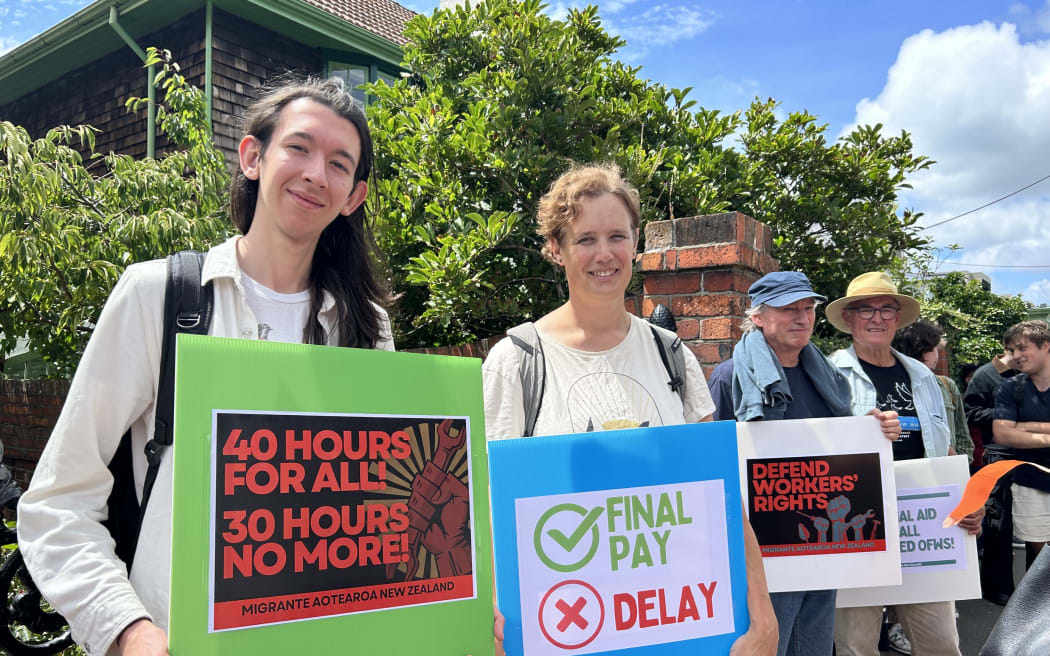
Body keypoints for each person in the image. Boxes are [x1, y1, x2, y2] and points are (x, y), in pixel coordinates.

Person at [17, 77, 393, 656]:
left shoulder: (367, 329)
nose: (317, 173)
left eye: (340, 163)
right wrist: (127, 631)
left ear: (353, 196)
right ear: (252, 156)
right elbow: (58, 501)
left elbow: (379, 510)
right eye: (299, 147)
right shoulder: (159, 295)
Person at [482, 164, 778, 654]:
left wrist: (761, 612)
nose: (604, 254)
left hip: (676, 619)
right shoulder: (516, 360)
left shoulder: (671, 354)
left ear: (636, 244)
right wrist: (495, 618)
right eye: (585, 239)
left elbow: (719, 494)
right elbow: (492, 511)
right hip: (568, 624)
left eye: (617, 236)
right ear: (556, 249)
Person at [706, 271, 902, 656]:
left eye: (807, 308)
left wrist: (873, 429)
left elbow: (835, 445)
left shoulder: (826, 377)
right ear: (758, 317)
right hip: (764, 548)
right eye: (788, 309)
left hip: (822, 543)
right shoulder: (730, 378)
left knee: (814, 644)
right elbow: (714, 463)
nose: (801, 317)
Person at [828, 272, 983, 656]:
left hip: (923, 527)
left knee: (942, 644)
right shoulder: (829, 374)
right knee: (855, 647)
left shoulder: (925, 377)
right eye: (866, 309)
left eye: (886, 309)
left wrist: (969, 498)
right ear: (848, 318)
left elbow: (943, 450)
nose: (876, 318)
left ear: (899, 319)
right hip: (857, 527)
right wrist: (859, 434)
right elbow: (815, 455)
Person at [992, 320, 1050, 570]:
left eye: (1022, 348)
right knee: (1042, 560)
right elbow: (1003, 434)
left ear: (1045, 346)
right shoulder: (1011, 388)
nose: (1015, 356)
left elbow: (1012, 429)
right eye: (1011, 350)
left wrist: (1024, 426)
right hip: (1030, 482)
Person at [892, 319, 974, 463]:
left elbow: (962, 435)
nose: (937, 355)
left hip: (944, 475)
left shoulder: (945, 385)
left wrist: (960, 464)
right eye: (935, 348)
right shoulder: (890, 386)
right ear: (922, 349)